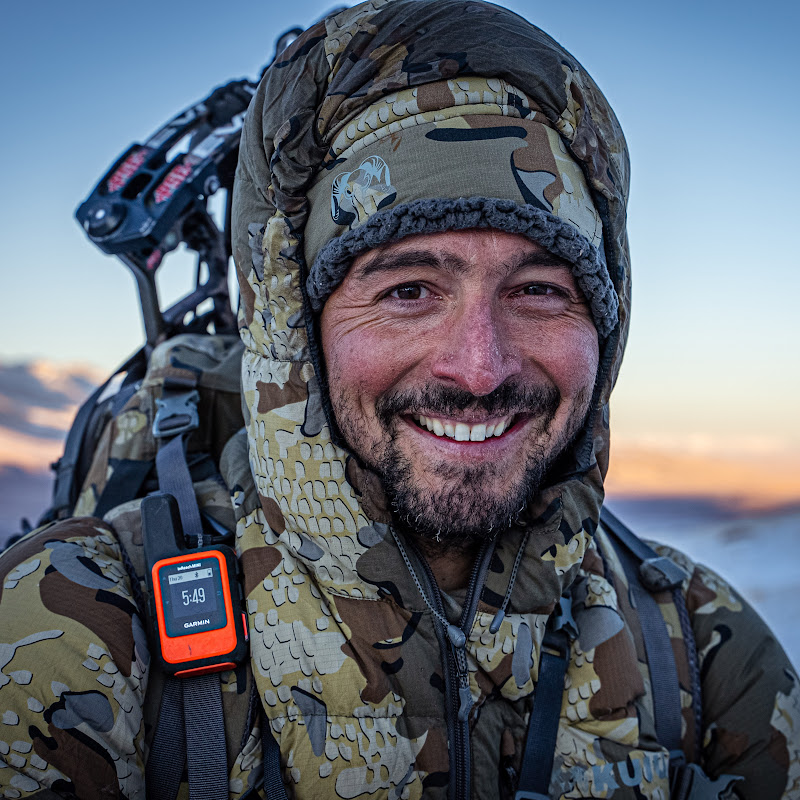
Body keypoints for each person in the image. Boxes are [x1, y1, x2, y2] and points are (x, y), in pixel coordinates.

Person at [1, 1, 798, 798]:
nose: (479, 368)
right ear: (297, 332)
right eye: (409, 291)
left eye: (539, 290)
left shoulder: (701, 645)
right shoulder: (74, 628)